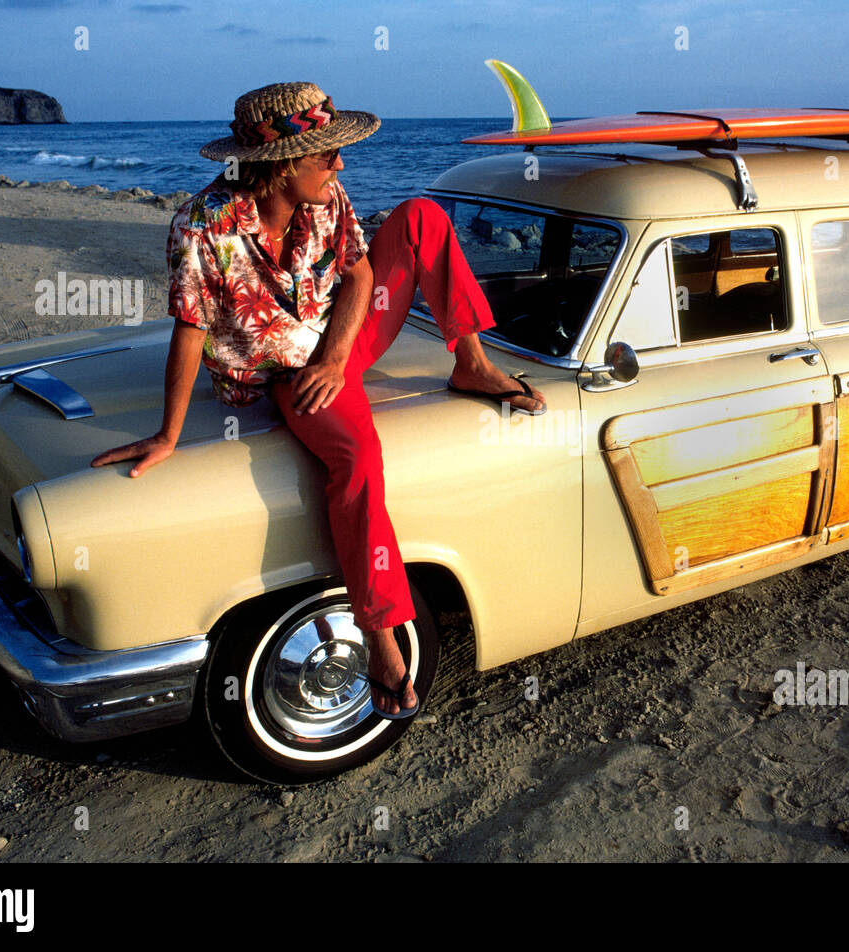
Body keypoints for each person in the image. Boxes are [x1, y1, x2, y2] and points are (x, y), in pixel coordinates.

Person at [91, 81, 546, 717]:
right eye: (325, 155)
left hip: (338, 347)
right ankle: (383, 633)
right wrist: (168, 434)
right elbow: (189, 327)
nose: (340, 164)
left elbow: (360, 276)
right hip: (284, 375)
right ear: (280, 167)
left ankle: (471, 364)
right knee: (358, 461)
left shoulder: (327, 196)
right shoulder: (203, 225)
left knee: (421, 215)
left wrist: (338, 356)